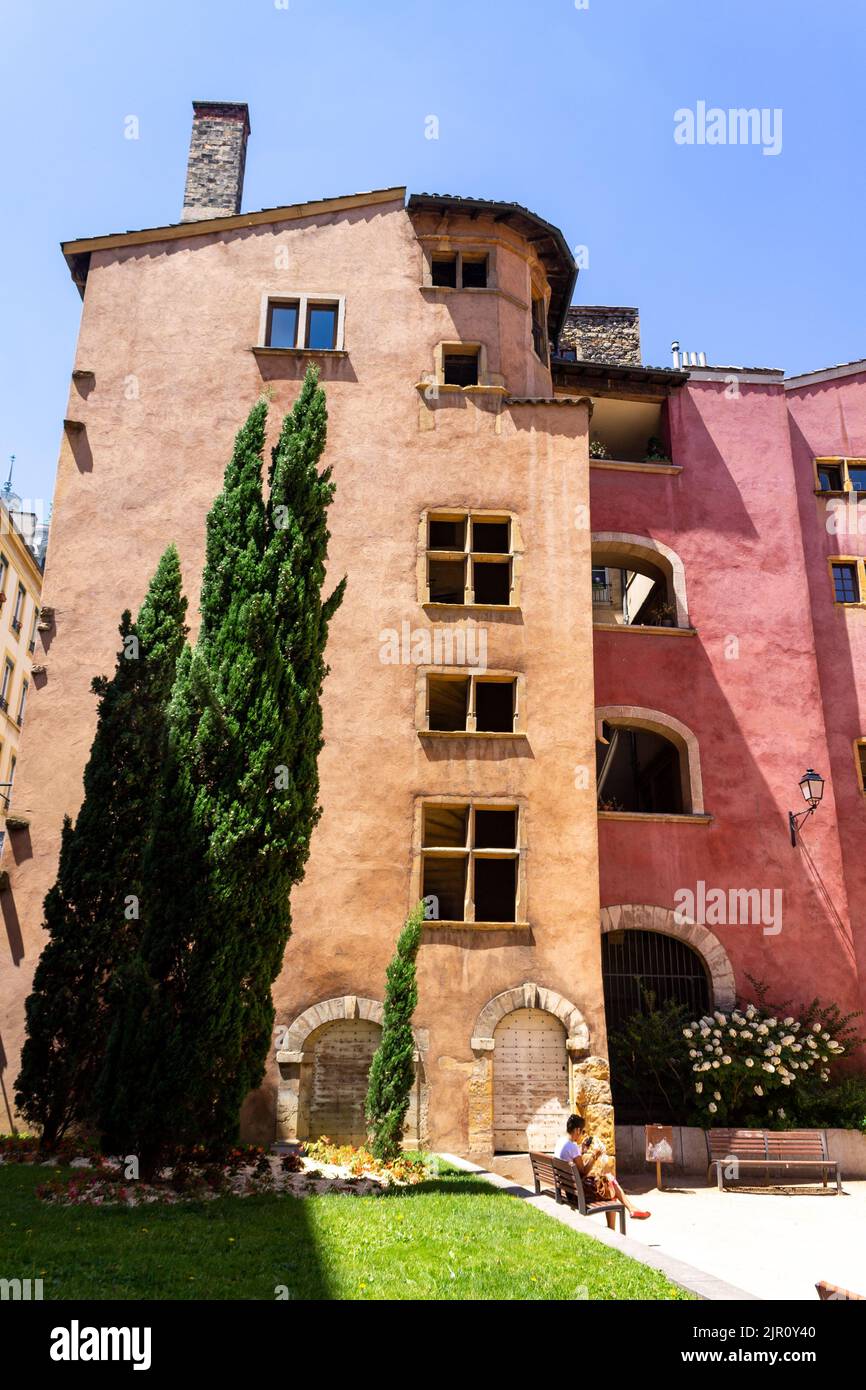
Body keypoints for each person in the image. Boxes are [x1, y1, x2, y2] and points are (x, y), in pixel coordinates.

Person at [554, 1113, 651, 1227]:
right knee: (610, 1186)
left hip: (568, 1188)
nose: (582, 1135)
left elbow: (574, 1162)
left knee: (609, 1179)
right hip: (577, 1193)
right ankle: (620, 1220)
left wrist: (583, 1151)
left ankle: (631, 1209)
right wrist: (594, 1156)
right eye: (582, 1132)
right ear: (577, 1130)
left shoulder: (561, 1142)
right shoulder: (573, 1146)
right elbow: (584, 1172)